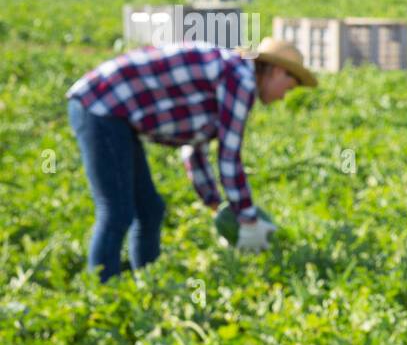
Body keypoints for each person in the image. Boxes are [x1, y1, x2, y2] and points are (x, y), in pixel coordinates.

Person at [65, 37, 316, 281]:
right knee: (116, 211)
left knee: (150, 209)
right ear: (276, 71)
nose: (284, 96)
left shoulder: (232, 73)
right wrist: (248, 219)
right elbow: (229, 158)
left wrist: (216, 205)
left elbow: (194, 148)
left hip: (112, 111)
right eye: (289, 87)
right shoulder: (241, 79)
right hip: (100, 106)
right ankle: (102, 292)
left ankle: (146, 282)